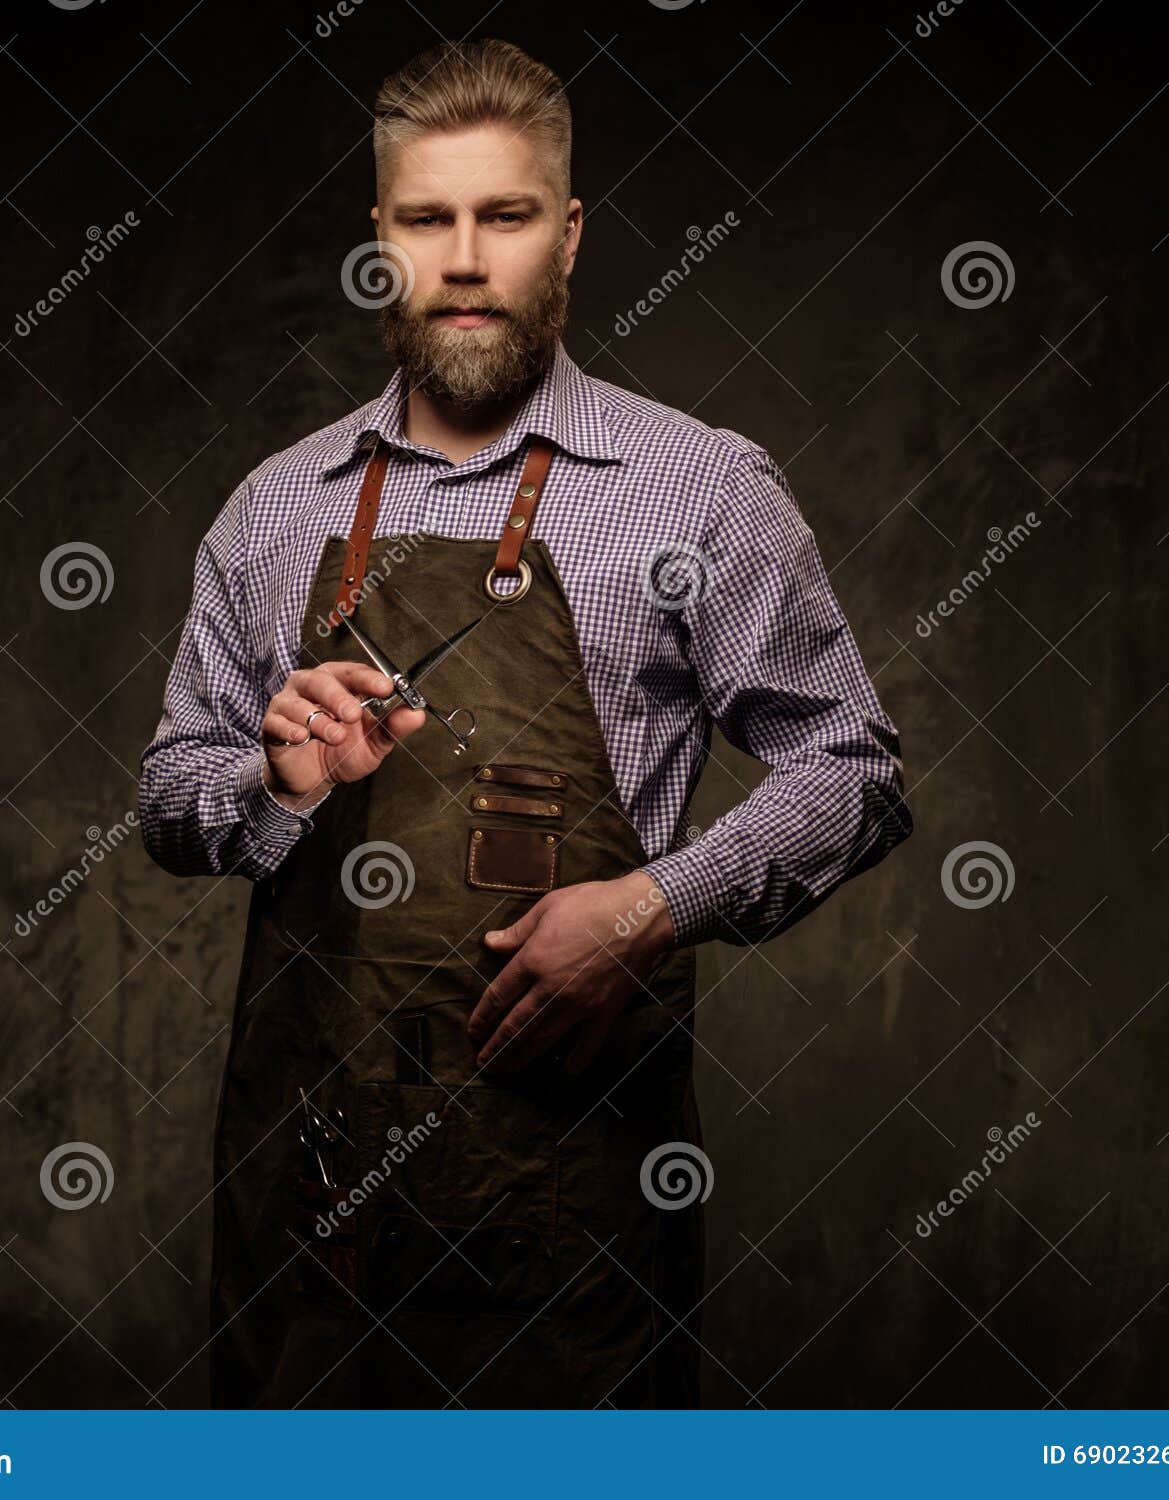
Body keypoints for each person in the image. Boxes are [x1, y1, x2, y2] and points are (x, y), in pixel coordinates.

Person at [138, 36, 913, 1409]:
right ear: (380, 241)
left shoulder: (697, 491)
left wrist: (647, 909)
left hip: (570, 1215)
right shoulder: (276, 508)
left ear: (569, 235)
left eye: (505, 216)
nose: (468, 258)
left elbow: (852, 769)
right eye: (429, 219)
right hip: (306, 1222)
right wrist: (271, 780)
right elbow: (172, 800)